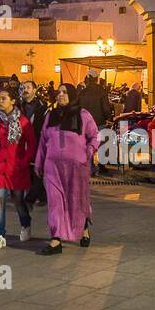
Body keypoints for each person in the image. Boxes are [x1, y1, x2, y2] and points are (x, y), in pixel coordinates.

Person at [35, 84, 99, 252]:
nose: (60, 95)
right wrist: (39, 162)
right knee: (55, 203)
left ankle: (84, 230)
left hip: (77, 168)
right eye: (59, 92)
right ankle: (56, 239)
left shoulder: (83, 116)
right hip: (52, 167)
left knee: (76, 201)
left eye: (64, 92)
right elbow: (43, 141)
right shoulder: (51, 116)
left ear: (72, 95)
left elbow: (94, 136)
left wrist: (89, 152)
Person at [0, 85, 35, 249]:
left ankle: (25, 223)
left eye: (3, 98)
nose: (0, 101)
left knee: (18, 201)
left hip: (16, 169)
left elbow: (32, 144)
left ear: (13, 101)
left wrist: (25, 161)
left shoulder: (22, 122)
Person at [21, 80, 49, 206]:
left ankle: (31, 197)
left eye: (28, 87)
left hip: (37, 140)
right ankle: (42, 195)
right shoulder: (19, 106)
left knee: (36, 167)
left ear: (34, 90)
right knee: (28, 167)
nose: (25, 90)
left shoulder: (42, 106)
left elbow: (46, 125)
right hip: (23, 141)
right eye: (23, 87)